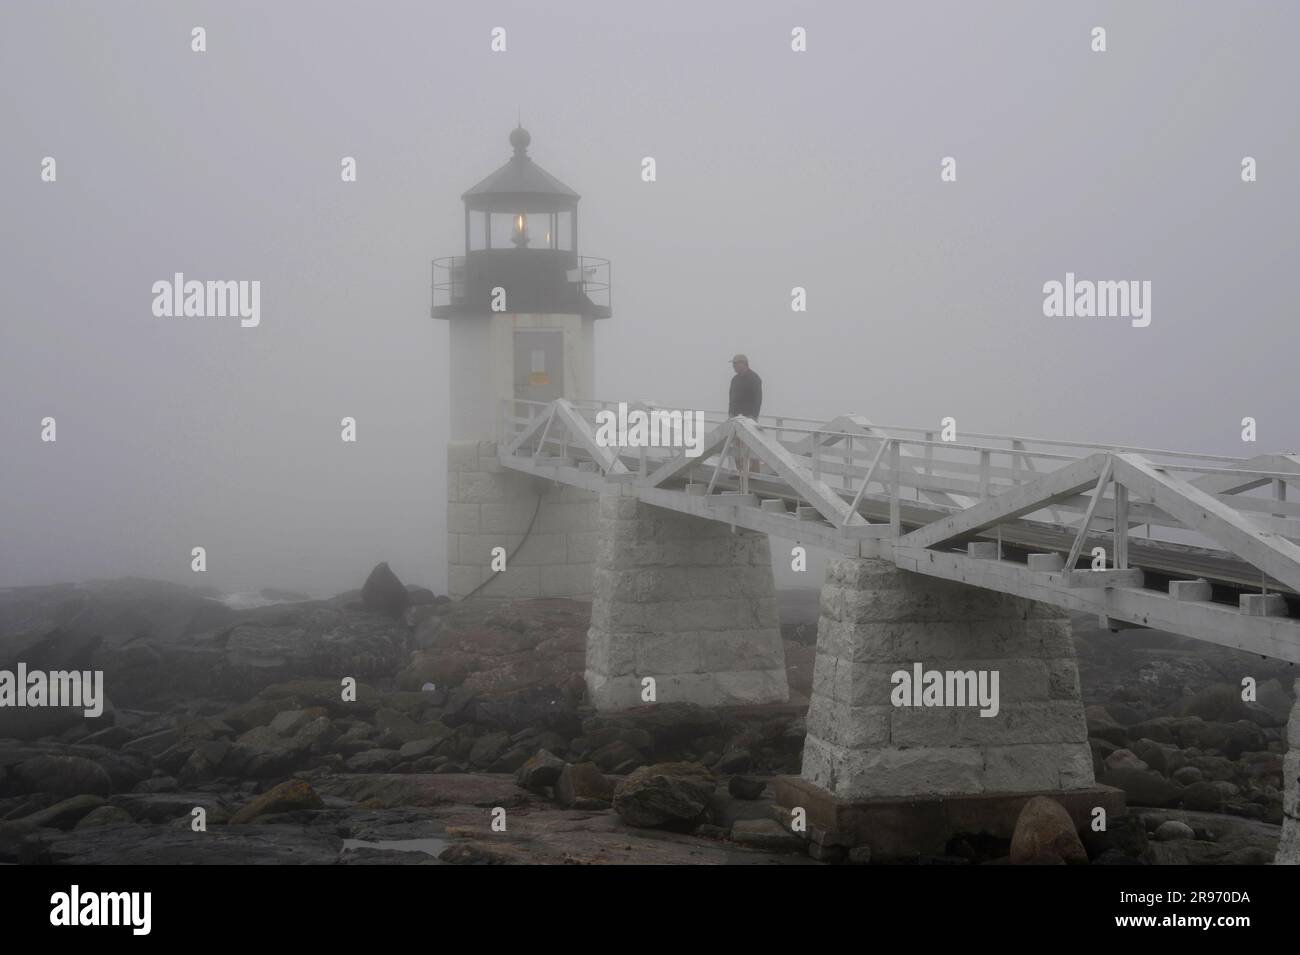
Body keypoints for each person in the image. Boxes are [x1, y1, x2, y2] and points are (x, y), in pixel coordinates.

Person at [728, 353, 762, 480]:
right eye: (733, 364)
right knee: (737, 446)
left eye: (735, 364)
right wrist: (730, 412)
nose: (733, 366)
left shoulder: (754, 378)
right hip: (736, 418)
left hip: (749, 417)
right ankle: (740, 472)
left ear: (743, 363)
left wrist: (754, 416)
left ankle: (754, 474)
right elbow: (731, 397)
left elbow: (758, 399)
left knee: (751, 445)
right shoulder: (735, 379)